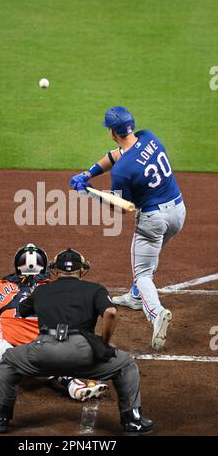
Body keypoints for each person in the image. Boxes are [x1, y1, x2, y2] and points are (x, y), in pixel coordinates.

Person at [0, 248, 153, 435]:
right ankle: (132, 421)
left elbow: (22, 311)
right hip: (83, 353)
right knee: (126, 364)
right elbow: (111, 313)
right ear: (81, 270)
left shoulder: (42, 290)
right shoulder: (95, 289)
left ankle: (0, 417)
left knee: (9, 361)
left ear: (55, 270)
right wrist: (103, 343)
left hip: (44, 352)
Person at [70, 106, 186, 350]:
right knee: (150, 256)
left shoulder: (123, 171)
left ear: (112, 132)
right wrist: (88, 174)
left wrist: (88, 193)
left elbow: (122, 207)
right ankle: (135, 297)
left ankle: (156, 314)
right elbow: (119, 154)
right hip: (178, 212)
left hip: (154, 220)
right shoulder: (148, 137)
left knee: (142, 272)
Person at [0, 243, 108, 402]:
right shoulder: (54, 288)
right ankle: (75, 384)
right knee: (60, 334)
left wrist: (8, 282)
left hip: (11, 356)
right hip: (46, 354)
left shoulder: (1, 286)